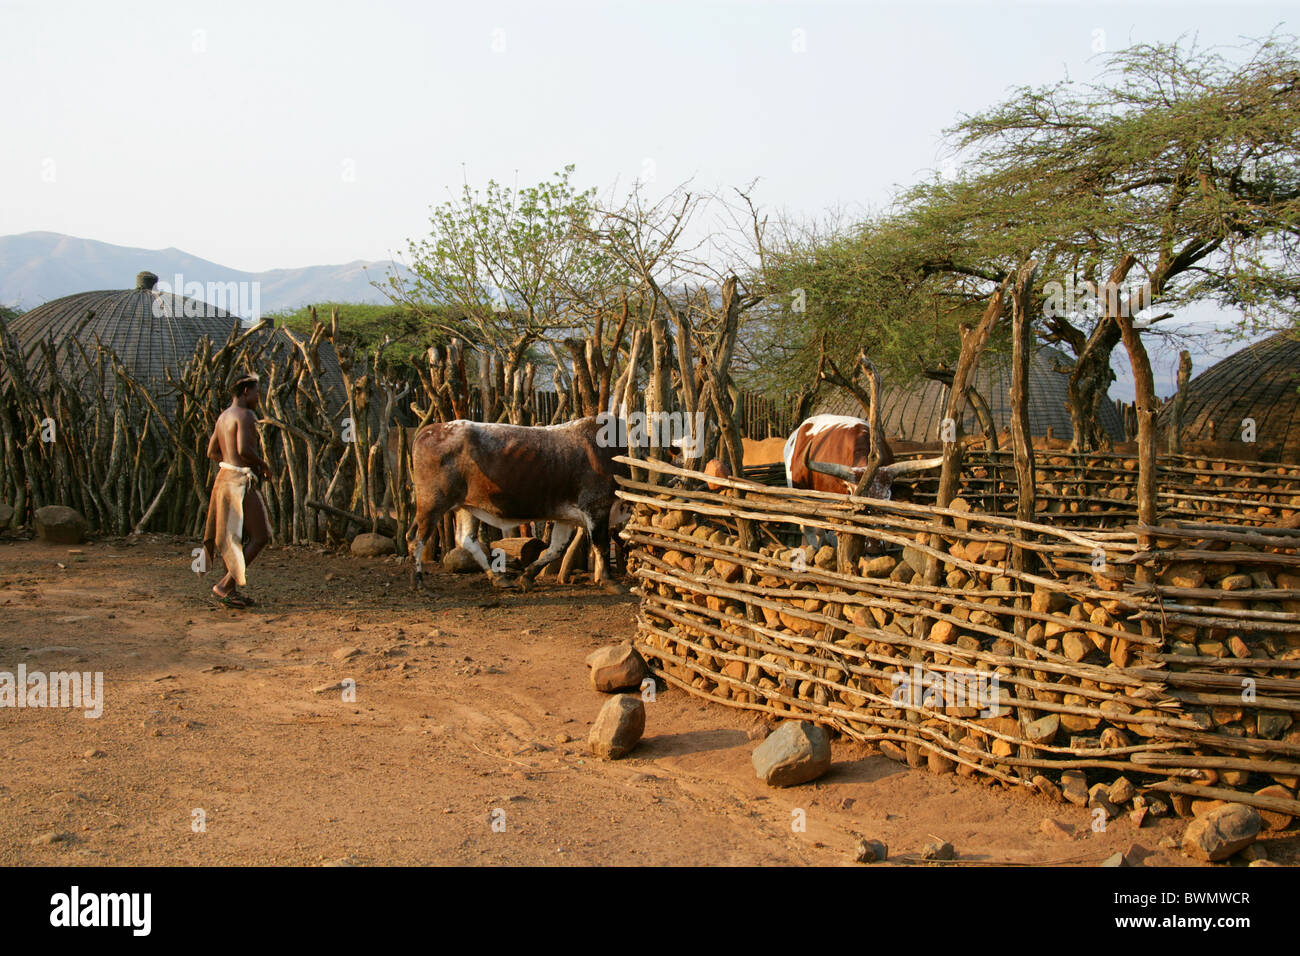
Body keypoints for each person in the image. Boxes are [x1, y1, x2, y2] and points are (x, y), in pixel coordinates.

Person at [203, 373, 272, 608]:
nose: (258, 399)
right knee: (261, 536)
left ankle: (230, 589)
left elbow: (211, 451)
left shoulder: (224, 417)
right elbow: (244, 449)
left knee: (234, 537)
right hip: (239, 482)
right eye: (256, 393)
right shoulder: (246, 415)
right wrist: (263, 465)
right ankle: (225, 585)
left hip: (224, 479)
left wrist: (229, 463)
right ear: (245, 392)